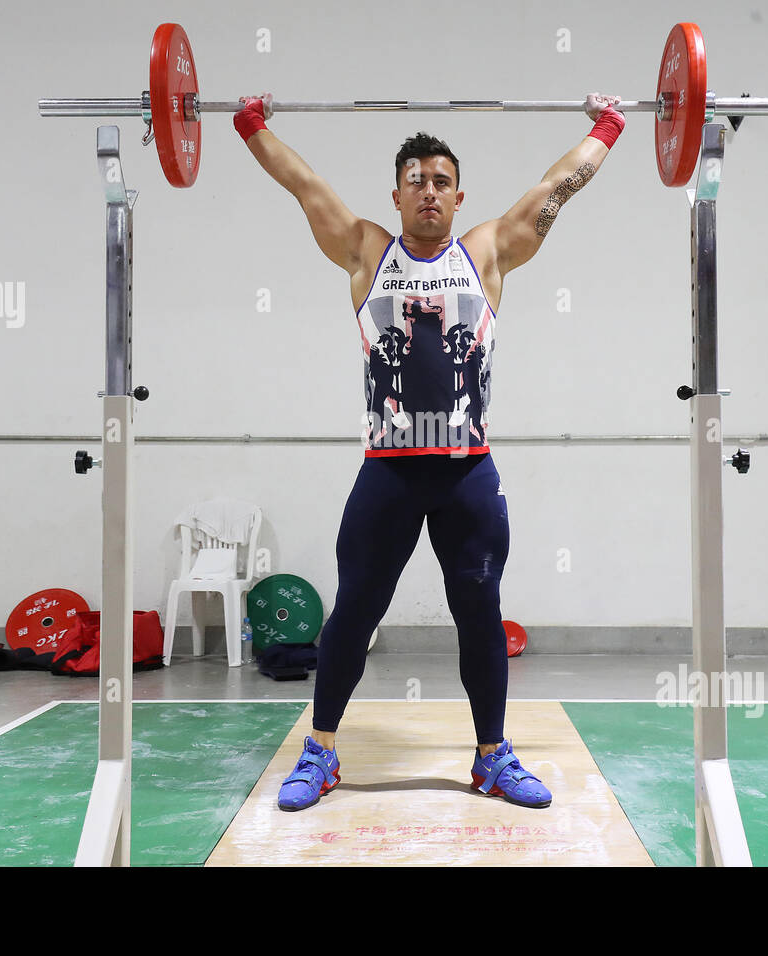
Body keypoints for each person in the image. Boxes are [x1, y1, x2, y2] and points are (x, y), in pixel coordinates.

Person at [233, 93, 625, 810]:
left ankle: (491, 757)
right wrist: (251, 124)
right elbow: (301, 182)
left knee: (480, 612)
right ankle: (319, 753)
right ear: (397, 193)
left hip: (467, 474)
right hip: (388, 475)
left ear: (457, 193)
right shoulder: (366, 252)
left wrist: (607, 126)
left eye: (440, 180)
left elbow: (557, 188)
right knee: (354, 612)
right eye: (415, 179)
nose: (428, 191)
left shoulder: (488, 251)